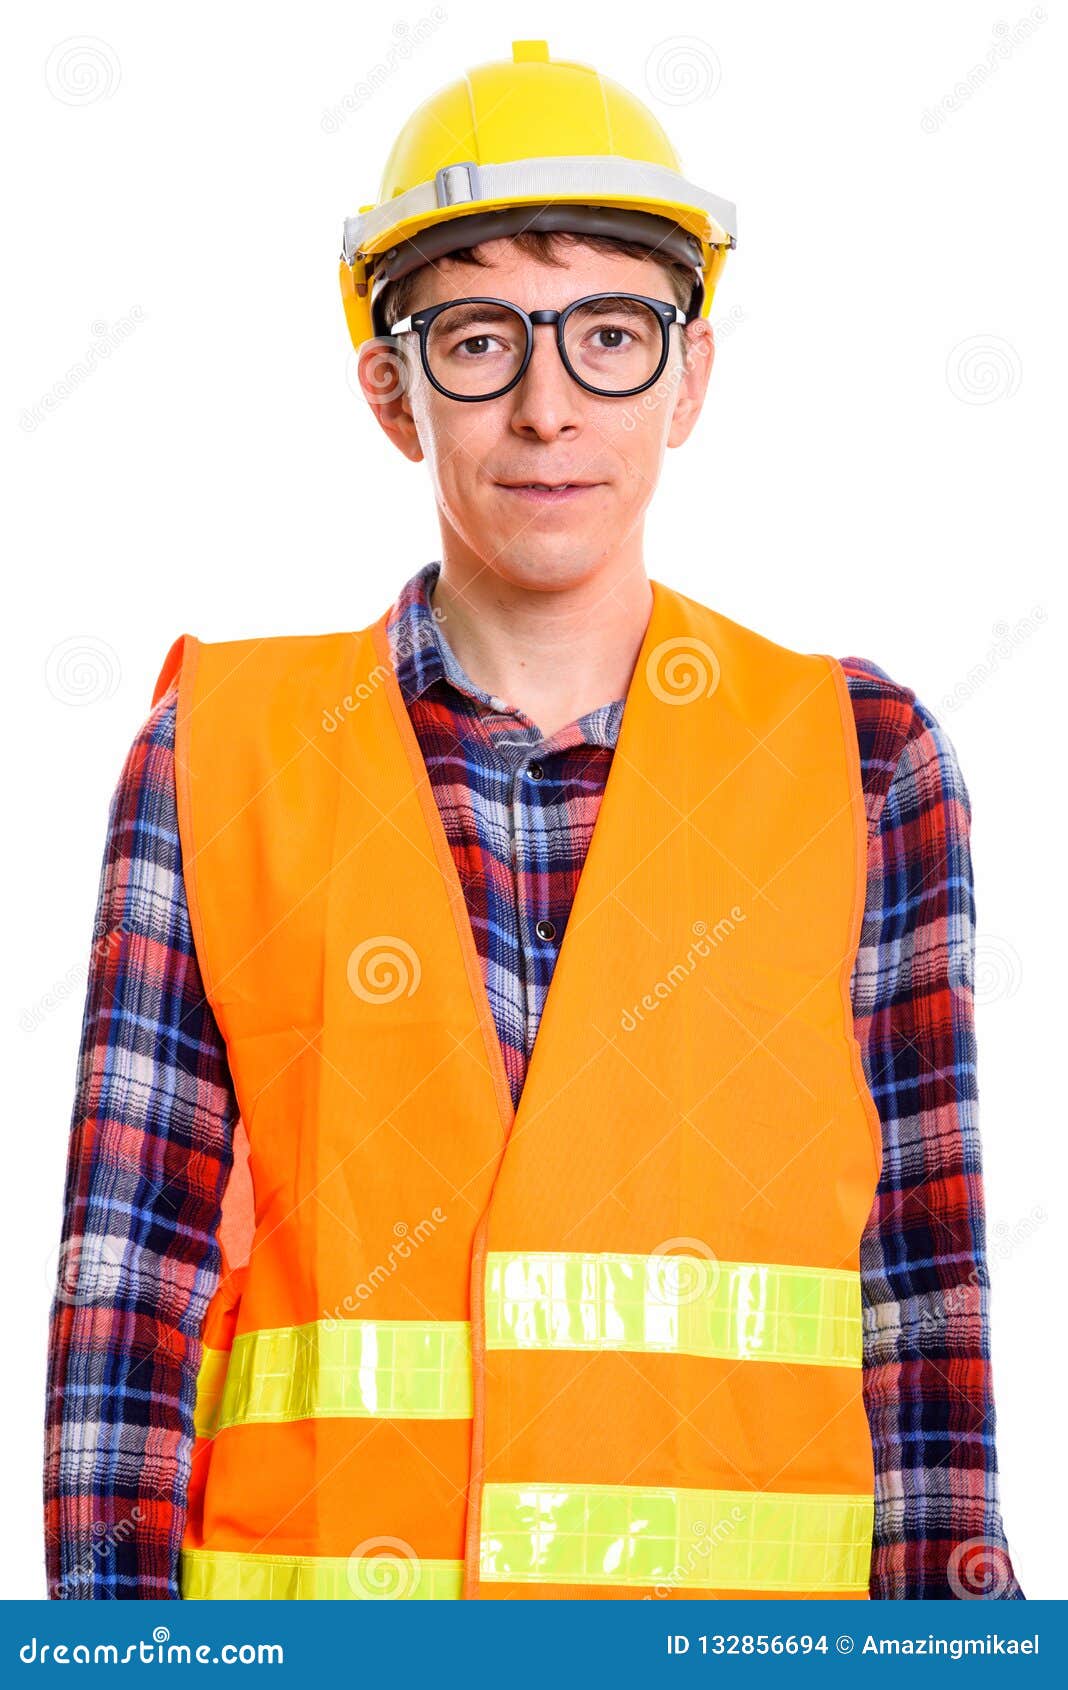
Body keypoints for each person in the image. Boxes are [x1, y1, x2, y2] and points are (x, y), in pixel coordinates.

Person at [44, 39, 1022, 1601]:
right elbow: (129, 1283)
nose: (549, 408)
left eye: (611, 335)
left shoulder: (865, 761)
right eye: (481, 339)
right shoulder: (216, 753)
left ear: (691, 378)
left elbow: (922, 1295)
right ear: (393, 391)